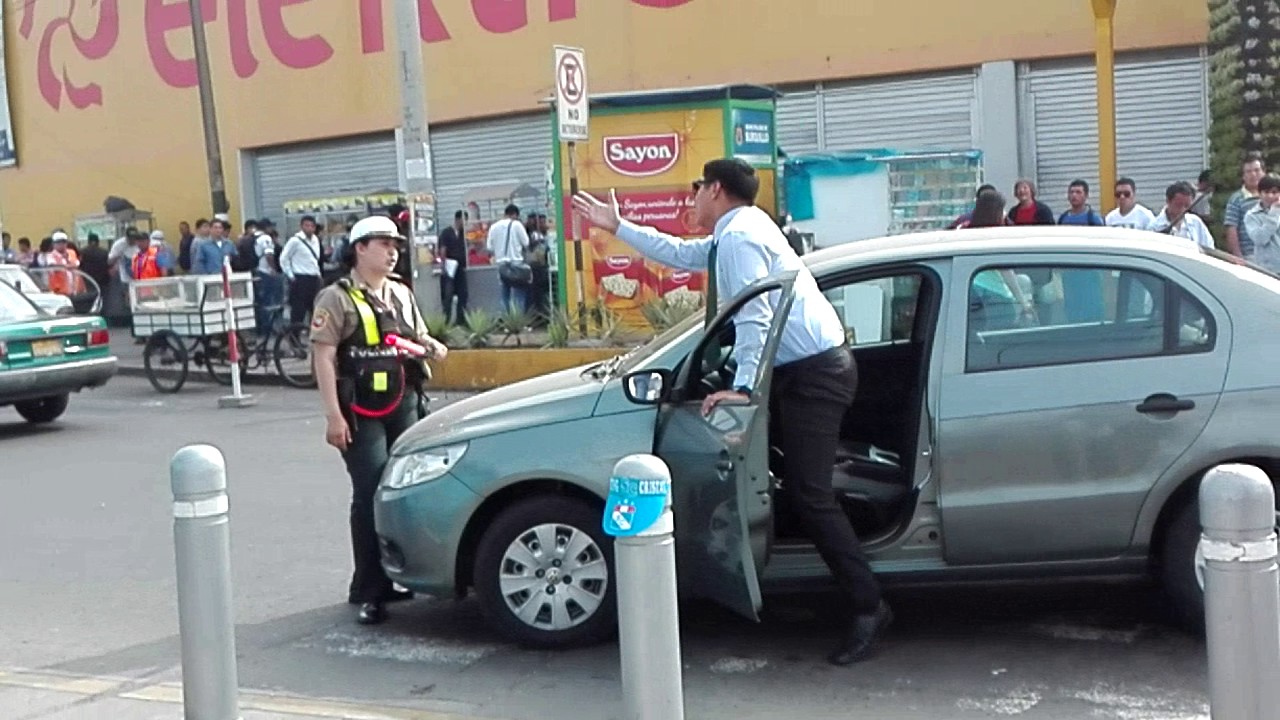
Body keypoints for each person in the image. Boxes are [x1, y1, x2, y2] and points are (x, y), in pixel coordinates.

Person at [572, 158, 891, 666]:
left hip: (814, 375)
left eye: (696, 188)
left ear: (716, 190)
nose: (691, 197)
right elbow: (683, 253)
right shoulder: (739, 228)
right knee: (789, 478)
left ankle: (868, 605)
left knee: (811, 495)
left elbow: (755, 315)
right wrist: (619, 227)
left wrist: (743, 388)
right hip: (804, 370)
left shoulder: (740, 237)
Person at [310, 215, 448, 626]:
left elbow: (417, 336)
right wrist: (334, 416)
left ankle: (395, 576)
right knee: (370, 493)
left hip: (403, 400)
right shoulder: (336, 298)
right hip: (360, 411)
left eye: (395, 245)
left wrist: (432, 347)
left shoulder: (401, 294)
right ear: (360, 248)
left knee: (402, 489)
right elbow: (323, 356)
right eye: (383, 244)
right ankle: (369, 590)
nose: (392, 252)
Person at [279, 215, 324, 325]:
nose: (309, 228)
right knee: (299, 310)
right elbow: (284, 258)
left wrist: (318, 275)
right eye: (306, 225)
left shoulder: (315, 240)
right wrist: (291, 275)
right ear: (301, 226)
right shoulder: (295, 241)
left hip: (314, 278)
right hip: (300, 278)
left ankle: (315, 334)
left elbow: (314, 260)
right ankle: (294, 336)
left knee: (315, 308)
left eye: (311, 226)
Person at [486, 203, 531, 312]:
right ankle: (519, 322)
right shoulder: (517, 225)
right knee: (519, 294)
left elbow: (489, 247)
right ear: (515, 214)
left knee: (504, 294)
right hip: (516, 264)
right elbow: (526, 242)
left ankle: (507, 323)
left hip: (501, 265)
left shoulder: (494, 227)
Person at [1152, 181, 1214, 249]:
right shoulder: (1154, 227)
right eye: (1179, 205)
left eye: (1187, 206)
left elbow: (1209, 247)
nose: (1183, 209)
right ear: (1168, 201)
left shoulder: (1196, 223)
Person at [1243, 174, 1280, 273]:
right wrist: (1273, 214)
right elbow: (1260, 239)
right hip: (1268, 269)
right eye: (1266, 192)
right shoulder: (1252, 215)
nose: (1270, 196)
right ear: (1259, 194)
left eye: (1274, 192)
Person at [438, 210, 469, 324]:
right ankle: (446, 320)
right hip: (450, 267)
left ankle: (460, 319)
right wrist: (443, 264)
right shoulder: (447, 233)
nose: (465, 223)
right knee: (448, 295)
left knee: (463, 293)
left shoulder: (463, 234)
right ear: (457, 220)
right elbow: (443, 248)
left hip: (460, 267)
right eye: (463, 220)